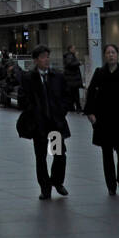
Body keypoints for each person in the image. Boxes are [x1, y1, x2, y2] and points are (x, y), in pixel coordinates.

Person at [17, 46, 71, 199]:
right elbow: (22, 98)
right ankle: (45, 187)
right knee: (41, 157)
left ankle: (57, 181)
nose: (46, 60)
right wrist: (32, 111)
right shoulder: (28, 78)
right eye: (42, 57)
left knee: (59, 154)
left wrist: (61, 111)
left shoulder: (57, 77)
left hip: (55, 123)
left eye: (47, 56)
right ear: (35, 60)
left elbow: (67, 96)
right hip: (38, 124)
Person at [84, 44, 119, 196]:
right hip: (103, 121)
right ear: (105, 56)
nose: (111, 55)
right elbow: (91, 93)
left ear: (117, 55)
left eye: (113, 52)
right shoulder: (99, 73)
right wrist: (90, 113)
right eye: (108, 53)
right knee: (107, 155)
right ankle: (111, 185)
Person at [63, 44, 83, 112]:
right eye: (74, 48)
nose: (75, 50)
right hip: (72, 79)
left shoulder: (70, 55)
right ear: (70, 49)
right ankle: (77, 107)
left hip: (72, 79)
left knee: (72, 94)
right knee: (75, 94)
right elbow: (70, 64)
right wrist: (78, 62)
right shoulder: (70, 55)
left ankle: (72, 107)